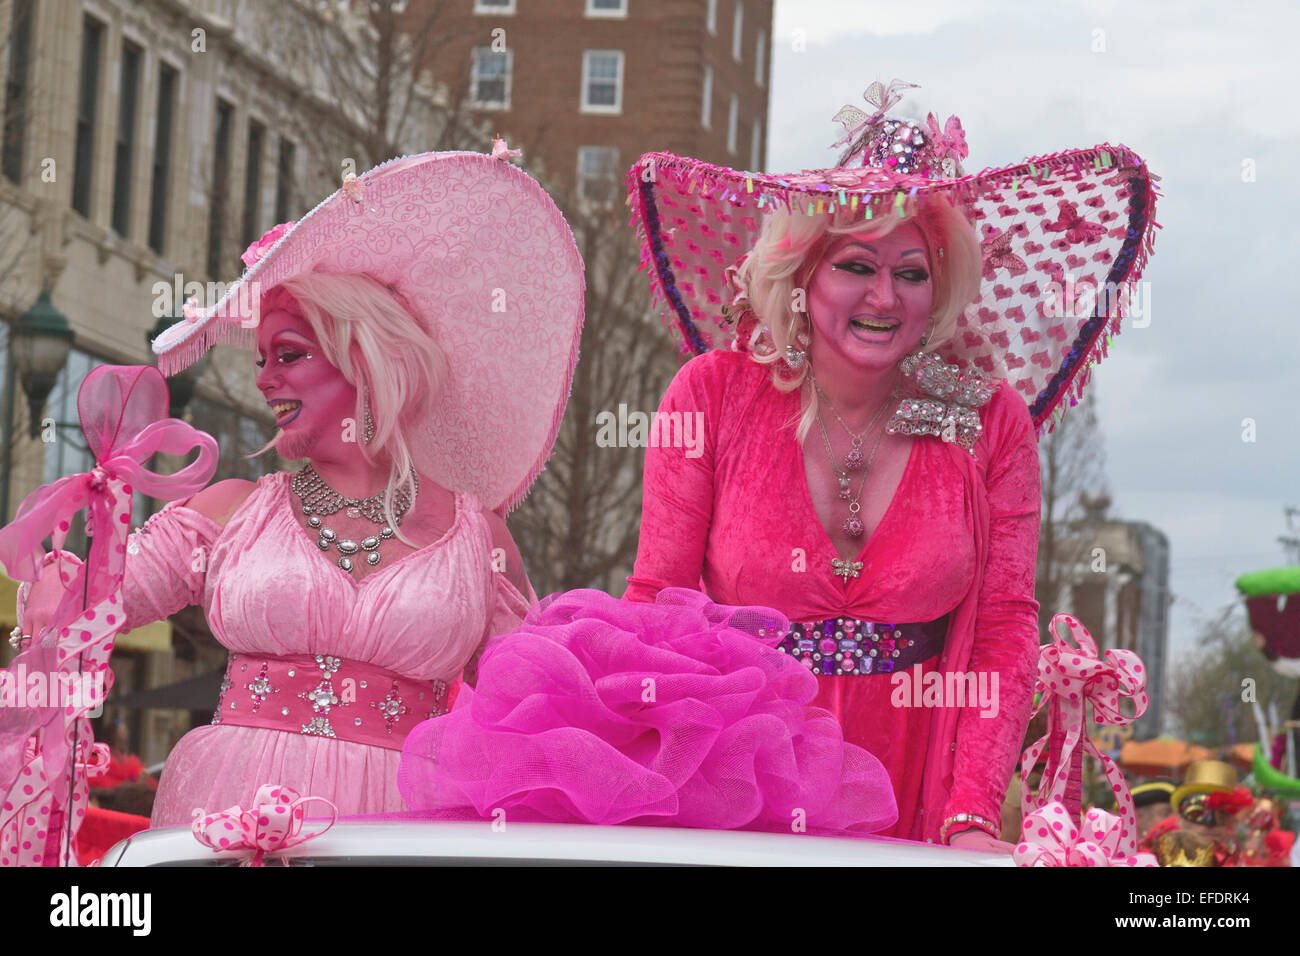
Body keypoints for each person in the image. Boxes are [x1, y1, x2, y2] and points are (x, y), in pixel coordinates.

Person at [621, 80, 1161, 848]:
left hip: (918, 788)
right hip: (736, 781)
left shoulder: (987, 422)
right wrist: (649, 771)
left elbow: (1006, 629)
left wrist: (972, 810)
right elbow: (658, 597)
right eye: (855, 265)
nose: (885, 295)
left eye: (911, 272)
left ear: (939, 289)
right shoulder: (713, 395)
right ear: (801, 274)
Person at [14, 147, 585, 827]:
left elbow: (532, 709)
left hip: (404, 827)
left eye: (289, 355)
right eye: (261, 359)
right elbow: (88, 608)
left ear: (367, 363)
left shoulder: (476, 536)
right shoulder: (230, 510)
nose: (264, 379)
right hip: (231, 807)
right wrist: (66, 580)